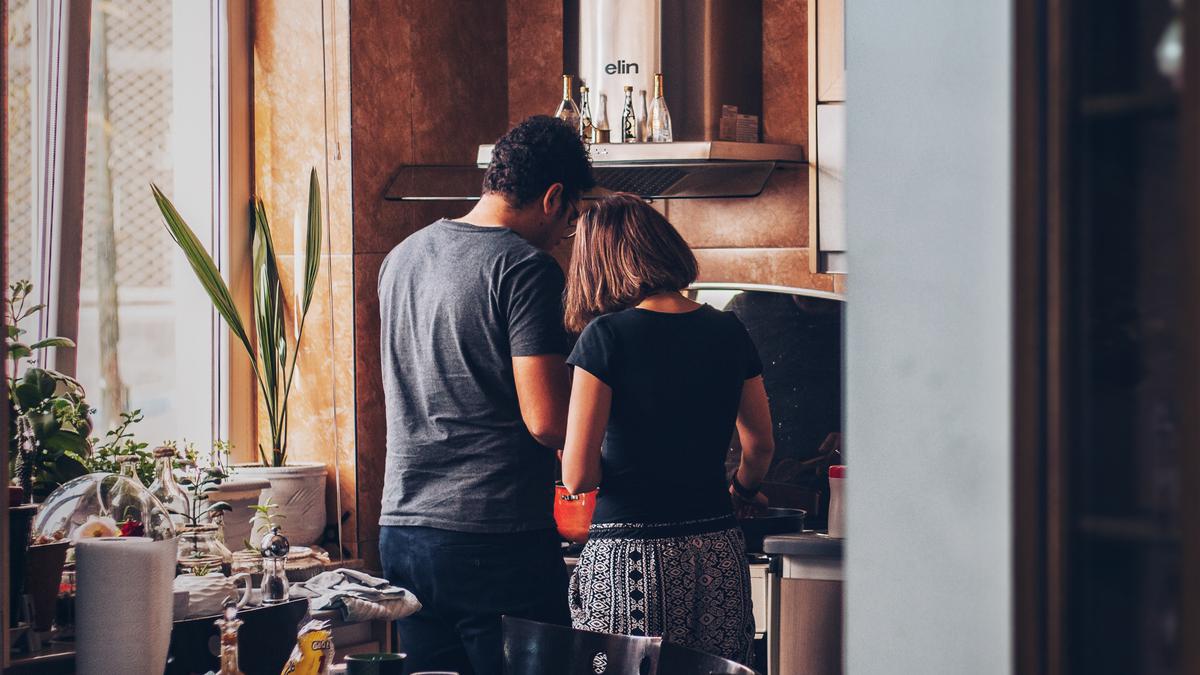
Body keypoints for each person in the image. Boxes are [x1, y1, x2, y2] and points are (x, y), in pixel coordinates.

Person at [377, 115, 593, 675]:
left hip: (403, 531)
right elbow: (547, 421)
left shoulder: (400, 258)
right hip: (493, 538)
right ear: (553, 198)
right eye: (569, 222)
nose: (563, 237)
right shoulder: (525, 268)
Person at [560, 193, 775, 665]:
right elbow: (759, 444)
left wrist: (581, 455)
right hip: (717, 549)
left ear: (598, 263)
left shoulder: (606, 337)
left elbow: (578, 477)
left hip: (631, 558)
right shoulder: (728, 329)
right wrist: (740, 492)